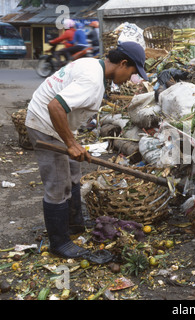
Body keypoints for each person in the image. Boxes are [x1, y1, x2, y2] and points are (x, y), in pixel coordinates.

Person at [25, 42, 149, 260]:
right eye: (132, 72)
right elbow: (55, 106)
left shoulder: (93, 65)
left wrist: (72, 142)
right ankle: (60, 243)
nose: (131, 78)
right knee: (57, 183)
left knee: (73, 171)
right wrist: (71, 144)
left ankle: (73, 224)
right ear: (123, 63)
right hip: (44, 124)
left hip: (55, 123)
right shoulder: (92, 80)